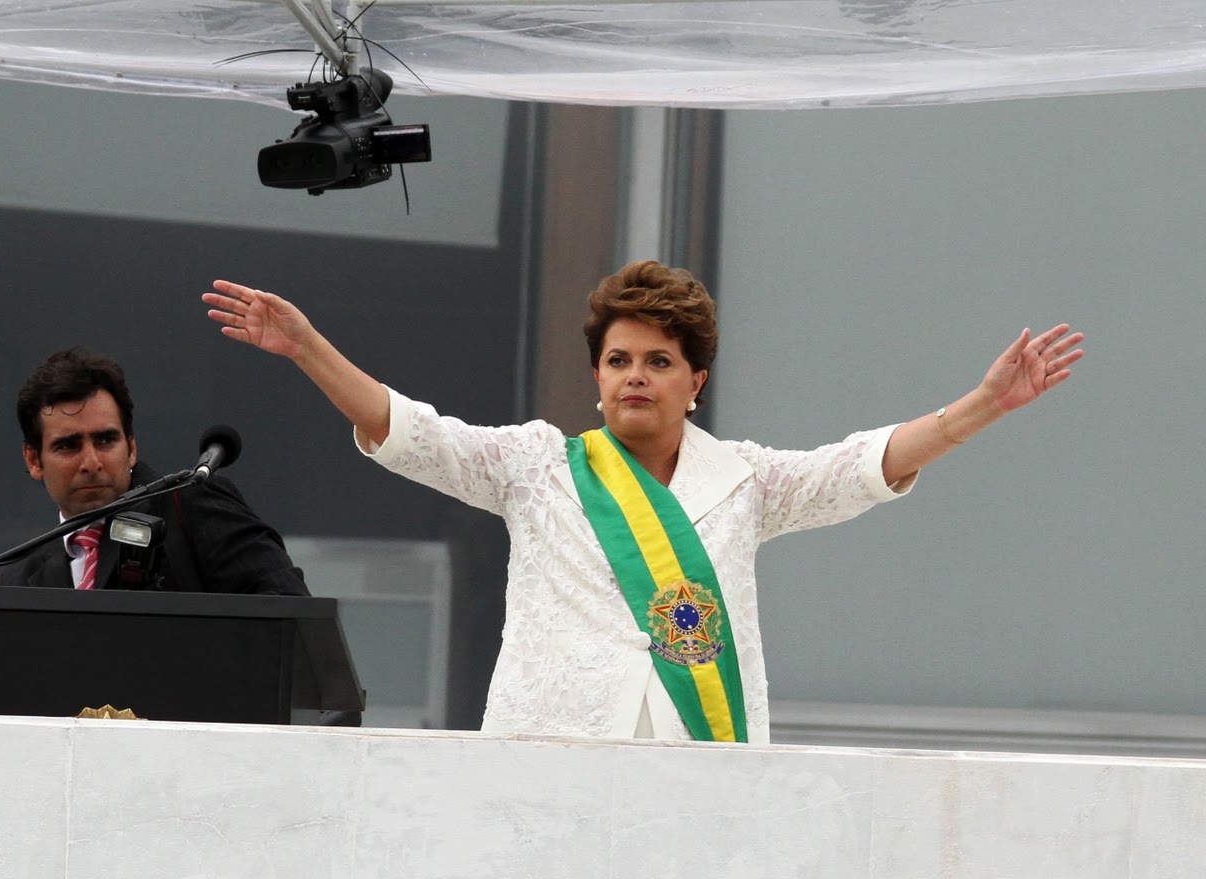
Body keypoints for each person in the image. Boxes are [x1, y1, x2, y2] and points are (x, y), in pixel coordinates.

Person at [202, 261, 1084, 743]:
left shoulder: (743, 478)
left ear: (694, 381)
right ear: (596, 377)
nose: (636, 376)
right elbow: (411, 430)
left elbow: (861, 467)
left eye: (659, 361)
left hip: (695, 760)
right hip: (550, 752)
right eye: (620, 359)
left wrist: (983, 406)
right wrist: (310, 347)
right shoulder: (537, 464)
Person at [0, 347, 308, 596]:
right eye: (69, 446)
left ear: (131, 448)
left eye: (105, 440)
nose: (91, 462)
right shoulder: (16, 574)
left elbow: (288, 615)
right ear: (33, 460)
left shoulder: (190, 506)